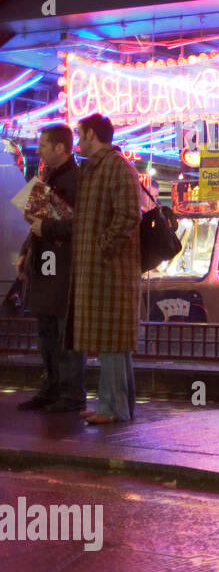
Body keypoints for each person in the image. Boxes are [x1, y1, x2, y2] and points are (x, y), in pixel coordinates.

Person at [69, 115, 140, 425]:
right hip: (103, 267)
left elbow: (127, 215)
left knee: (112, 341)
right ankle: (112, 406)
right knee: (113, 342)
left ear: (92, 135)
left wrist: (102, 247)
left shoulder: (115, 167)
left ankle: (113, 409)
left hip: (110, 269)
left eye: (80, 135)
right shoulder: (101, 168)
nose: (78, 141)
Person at [18, 125, 85, 413]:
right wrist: (26, 251)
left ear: (60, 148)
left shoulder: (78, 180)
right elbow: (35, 220)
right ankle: (52, 388)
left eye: (44, 145)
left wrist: (47, 226)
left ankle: (71, 393)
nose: (40, 149)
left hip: (64, 265)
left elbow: (82, 225)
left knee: (63, 328)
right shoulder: (49, 176)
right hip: (44, 263)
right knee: (46, 329)